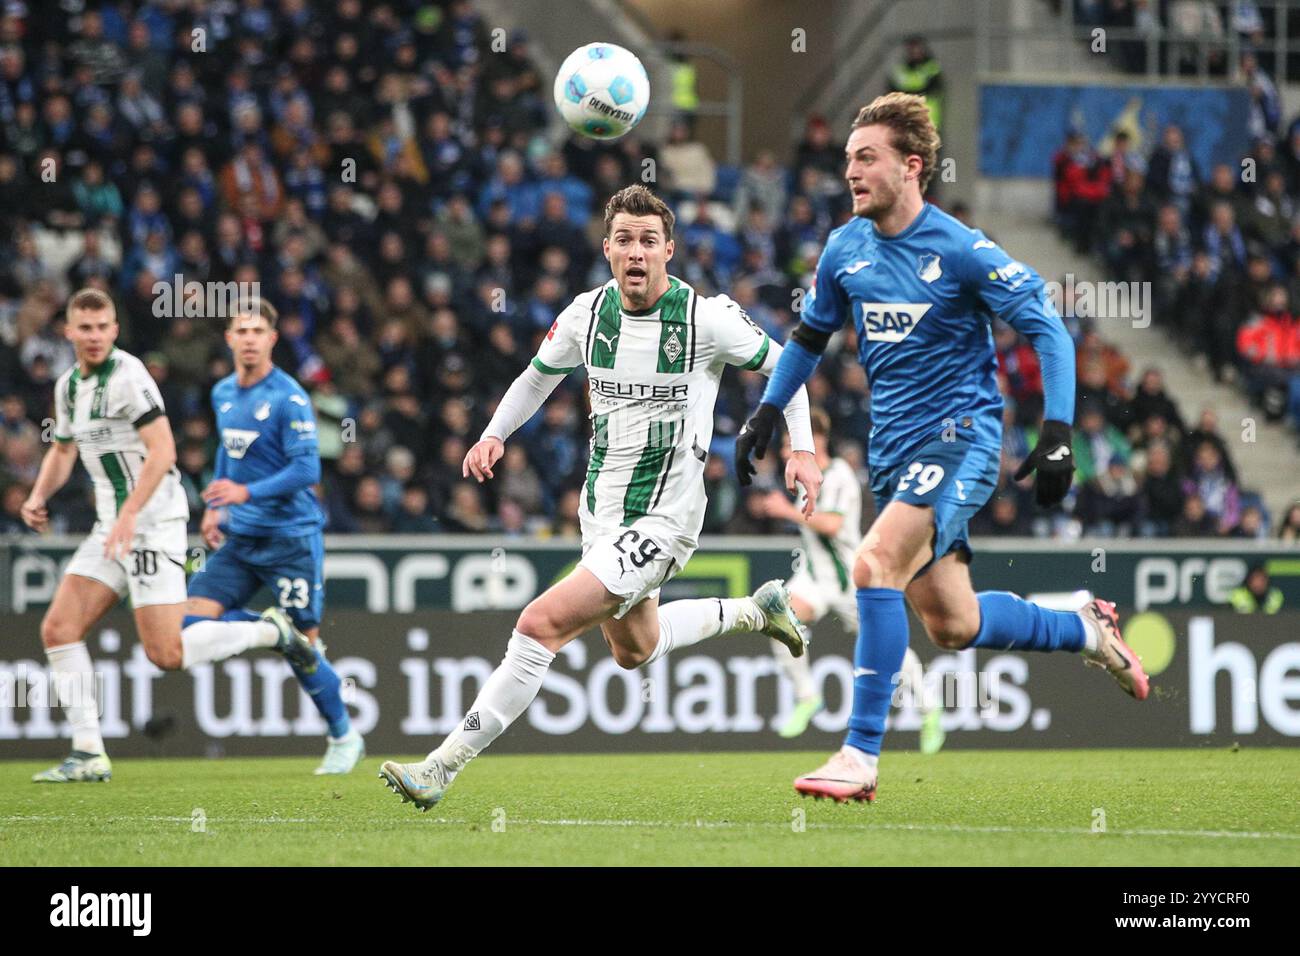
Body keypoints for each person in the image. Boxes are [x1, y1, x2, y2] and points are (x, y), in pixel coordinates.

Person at [735, 93, 1149, 804]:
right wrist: (769, 412)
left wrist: (1056, 433)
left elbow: (1049, 328)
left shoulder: (959, 249)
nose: (852, 172)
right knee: (953, 625)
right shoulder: (844, 250)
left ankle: (859, 755)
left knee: (873, 565)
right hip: (894, 455)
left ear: (912, 166)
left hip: (963, 436)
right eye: (848, 160)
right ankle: (1082, 627)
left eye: (867, 158)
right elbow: (808, 338)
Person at [379, 185, 816, 811]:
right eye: (624, 240)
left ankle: (440, 767)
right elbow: (537, 377)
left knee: (539, 624)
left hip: (665, 518)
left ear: (668, 249)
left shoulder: (705, 319)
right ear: (607, 248)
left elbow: (788, 368)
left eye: (648, 241)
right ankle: (756, 611)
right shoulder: (586, 316)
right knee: (632, 650)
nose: (636, 252)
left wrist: (801, 447)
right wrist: (494, 434)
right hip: (600, 512)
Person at [23, 289, 320, 782]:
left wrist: (129, 515)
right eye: (85, 328)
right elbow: (62, 450)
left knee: (167, 654)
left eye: (103, 327)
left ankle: (272, 630)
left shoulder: (129, 376)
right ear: (69, 332)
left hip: (152, 522)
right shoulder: (68, 387)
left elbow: (163, 453)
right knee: (58, 629)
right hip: (111, 527)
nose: (94, 337)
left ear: (115, 330)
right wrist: (37, 496)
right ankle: (88, 752)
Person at [188, 299, 365, 775]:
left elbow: (307, 469)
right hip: (241, 539)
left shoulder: (289, 397)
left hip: (289, 538)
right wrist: (215, 507)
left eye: (257, 331)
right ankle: (270, 629)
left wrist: (243, 492)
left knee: (307, 646)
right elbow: (228, 455)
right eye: (240, 330)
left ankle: (344, 736)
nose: (248, 338)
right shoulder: (223, 392)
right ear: (229, 338)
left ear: (271, 339)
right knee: (187, 625)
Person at [761, 409, 944, 752]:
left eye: (790, 444)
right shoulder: (807, 478)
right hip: (814, 578)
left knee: (889, 647)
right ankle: (808, 698)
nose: (786, 452)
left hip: (850, 579)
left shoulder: (841, 475)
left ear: (816, 440)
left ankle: (929, 708)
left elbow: (831, 525)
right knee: (778, 619)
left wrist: (785, 511)